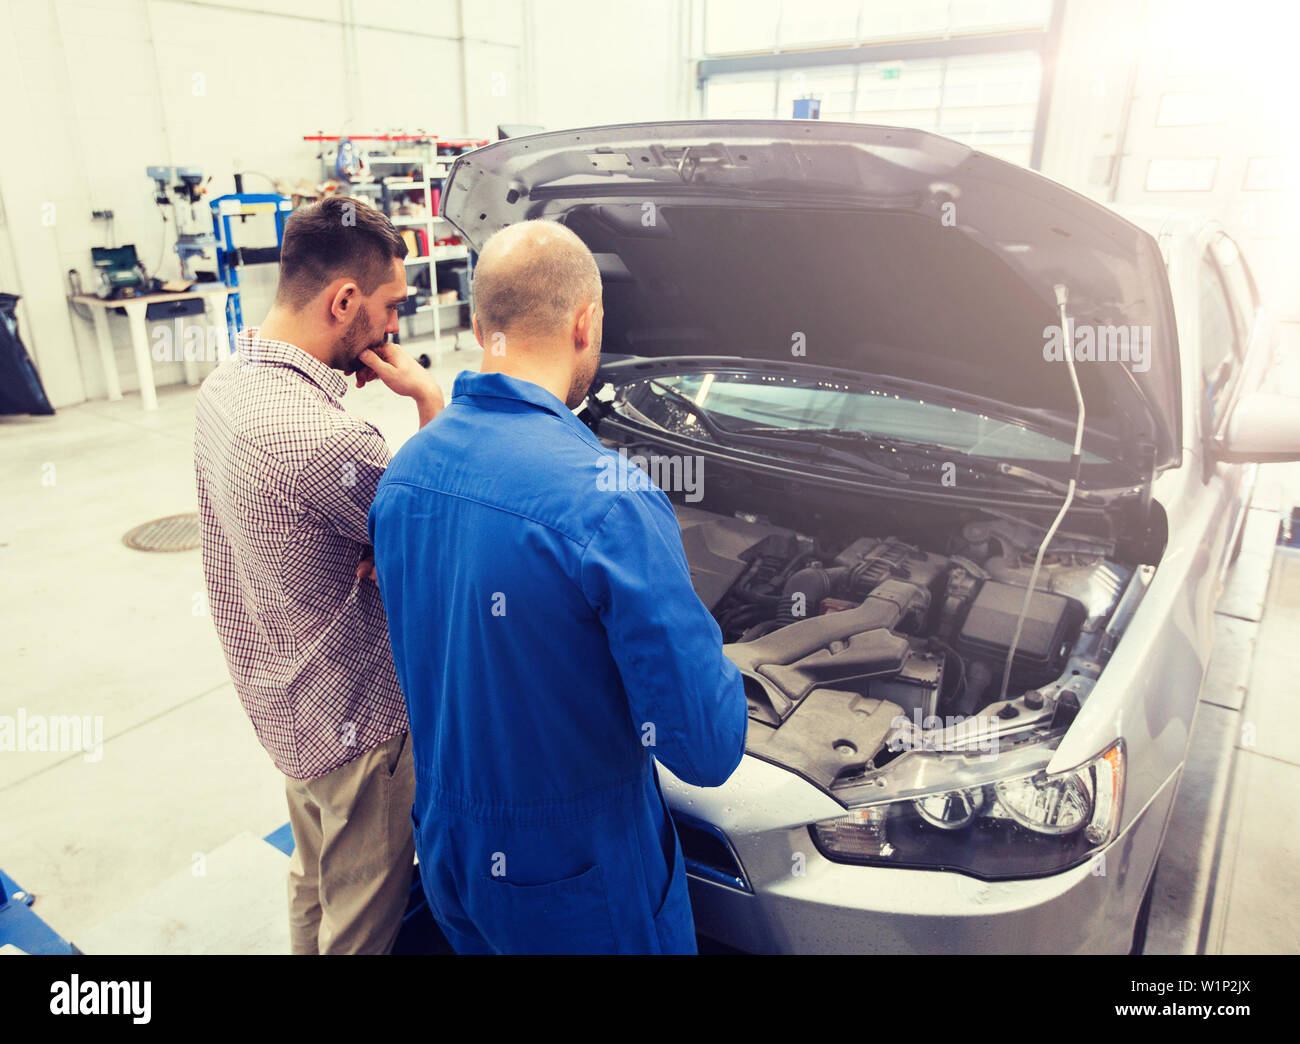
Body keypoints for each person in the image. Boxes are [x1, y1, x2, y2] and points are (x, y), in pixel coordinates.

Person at [369, 219, 748, 954]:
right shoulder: (609, 502)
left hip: (449, 851)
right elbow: (704, 749)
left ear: (480, 324)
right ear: (587, 321)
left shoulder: (406, 473)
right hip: (578, 878)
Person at [193, 195, 444, 954]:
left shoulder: (224, 390)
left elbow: (373, 536)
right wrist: (430, 399)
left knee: (311, 878)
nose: (397, 327)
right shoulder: (327, 441)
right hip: (361, 726)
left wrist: (373, 546)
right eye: (392, 305)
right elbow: (437, 547)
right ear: (344, 301)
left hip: (287, 704)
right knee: (363, 924)